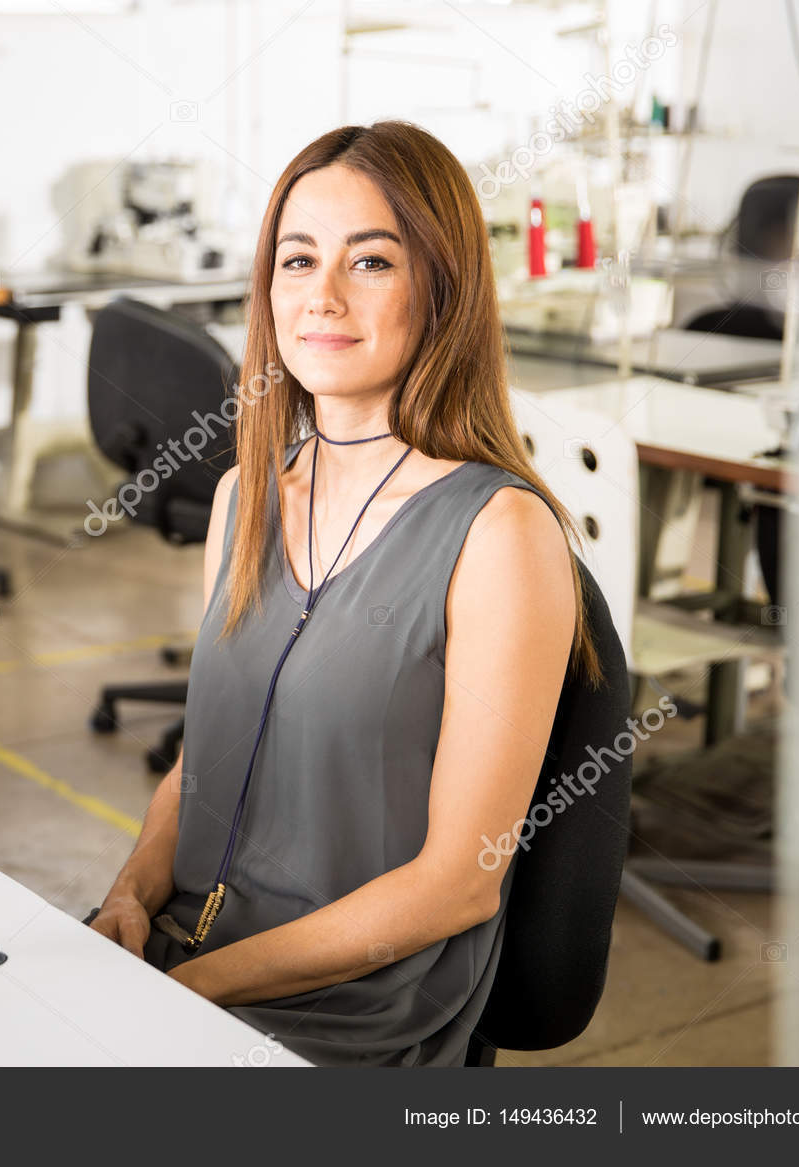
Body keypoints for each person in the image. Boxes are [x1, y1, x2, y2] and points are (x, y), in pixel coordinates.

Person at [88, 122, 603, 1067]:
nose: (320, 296)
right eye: (297, 259)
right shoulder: (247, 495)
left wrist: (191, 989)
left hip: (351, 1009)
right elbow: (203, 756)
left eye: (370, 262)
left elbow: (457, 885)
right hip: (189, 958)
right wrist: (129, 895)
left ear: (441, 288)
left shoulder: (500, 535)